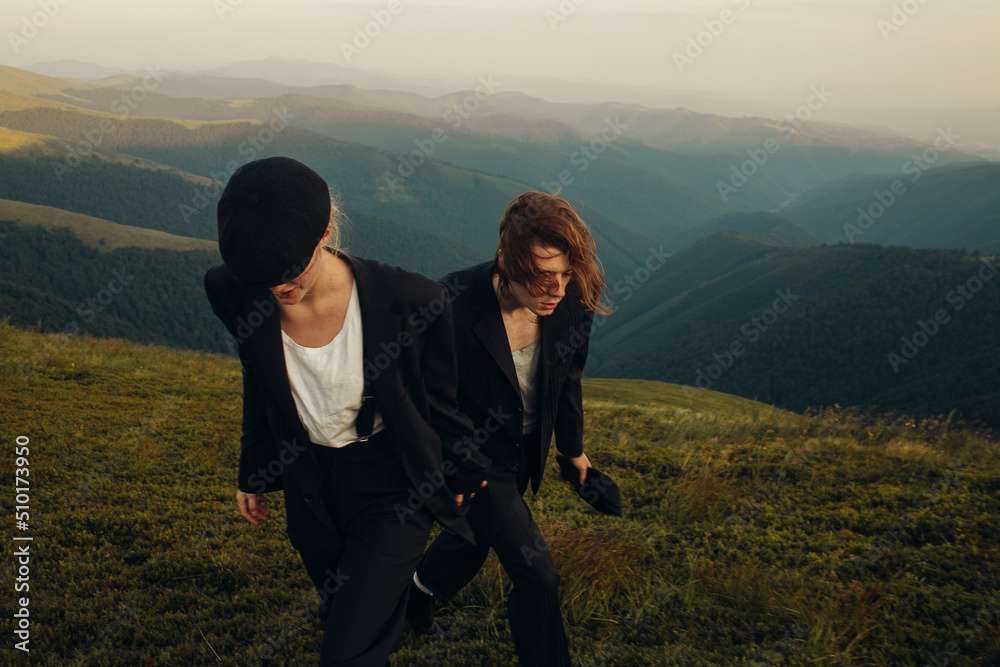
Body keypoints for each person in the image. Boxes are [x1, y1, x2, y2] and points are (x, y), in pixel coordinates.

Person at [203, 156, 488, 666]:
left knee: (346, 650)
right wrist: (254, 471)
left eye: (291, 272)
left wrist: (465, 470)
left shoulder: (414, 300)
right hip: (308, 483)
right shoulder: (232, 289)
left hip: (393, 484)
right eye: (263, 278)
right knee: (341, 601)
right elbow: (261, 381)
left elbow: (441, 403)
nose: (279, 290)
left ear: (327, 229)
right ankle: (386, 611)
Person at [406, 191, 610, 666]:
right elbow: (428, 399)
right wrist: (454, 468)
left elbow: (568, 378)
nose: (557, 290)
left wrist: (573, 450)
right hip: (475, 457)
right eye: (542, 277)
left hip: (526, 451)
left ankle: (416, 596)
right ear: (505, 260)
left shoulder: (573, 298)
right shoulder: (450, 304)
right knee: (539, 576)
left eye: (564, 274)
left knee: (472, 538)